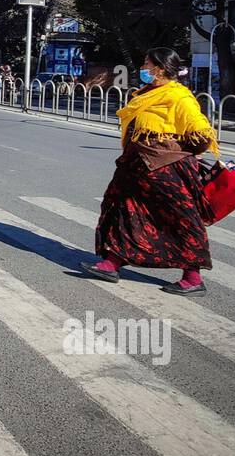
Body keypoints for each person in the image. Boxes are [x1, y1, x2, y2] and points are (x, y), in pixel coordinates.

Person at [81, 47, 220, 296]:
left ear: (161, 68)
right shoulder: (147, 93)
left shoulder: (180, 97)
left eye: (147, 64)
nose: (143, 68)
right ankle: (112, 263)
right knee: (121, 211)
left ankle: (192, 277)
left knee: (181, 220)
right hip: (135, 167)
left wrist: (177, 146)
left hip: (166, 169)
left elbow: (202, 133)